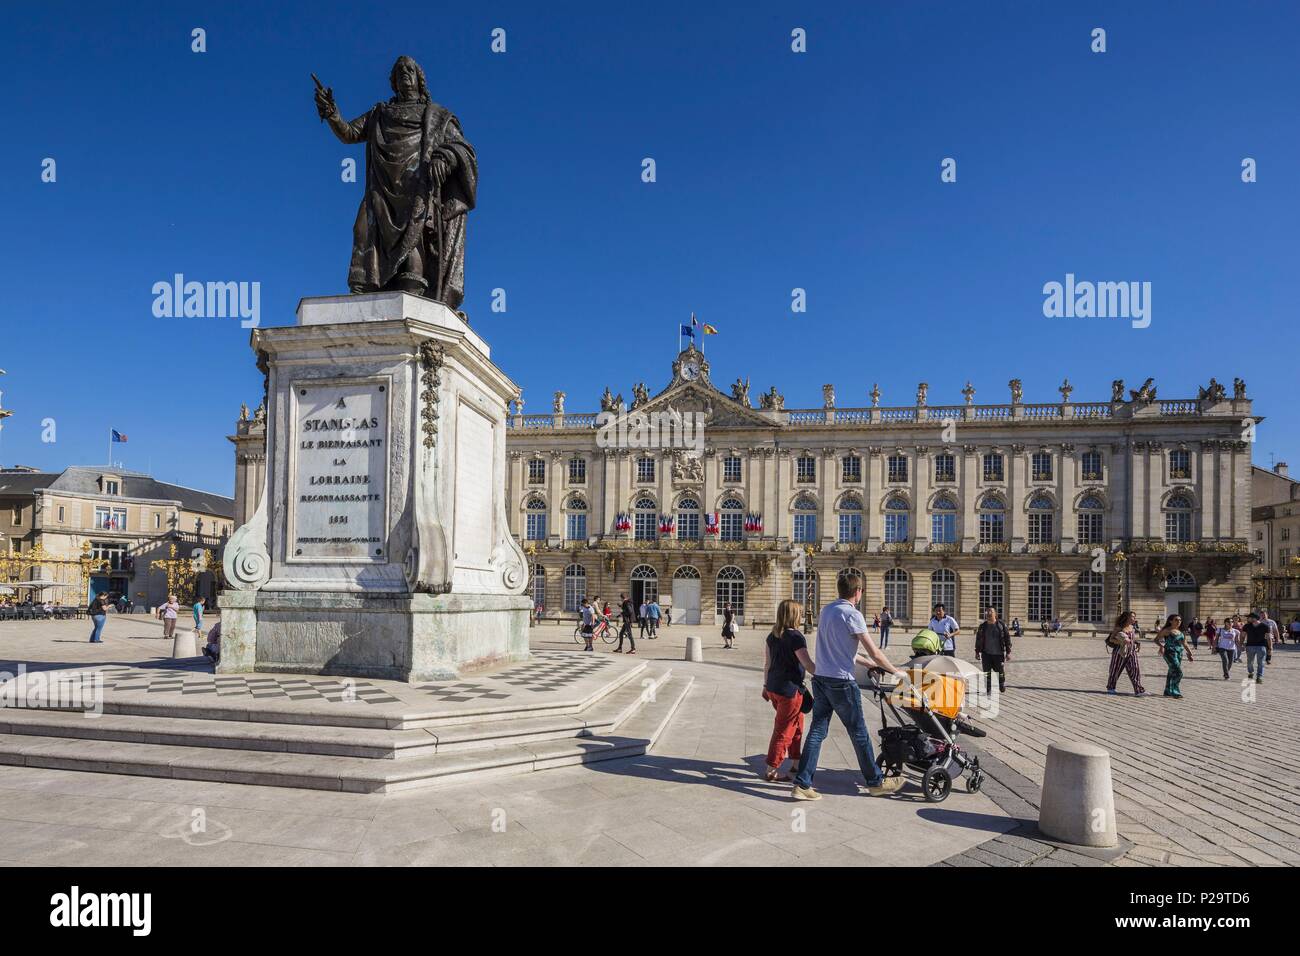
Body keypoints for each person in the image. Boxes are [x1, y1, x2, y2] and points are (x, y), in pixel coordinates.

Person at [791, 571, 905, 801]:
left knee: (817, 731)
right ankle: (875, 782)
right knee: (859, 733)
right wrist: (896, 671)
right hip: (842, 683)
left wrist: (868, 663)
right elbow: (874, 650)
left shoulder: (827, 611)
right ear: (858, 592)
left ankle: (802, 784)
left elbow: (843, 649)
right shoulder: (853, 615)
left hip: (822, 679)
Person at [762, 599, 816, 783]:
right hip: (789, 691)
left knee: (797, 726)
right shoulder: (795, 637)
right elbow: (807, 664)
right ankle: (772, 769)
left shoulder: (772, 636)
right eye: (800, 613)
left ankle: (796, 762)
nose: (802, 616)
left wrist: (764, 686)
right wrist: (826, 674)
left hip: (774, 688)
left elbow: (767, 665)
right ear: (794, 615)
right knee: (783, 731)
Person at [1105, 610, 1146, 696]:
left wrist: (1137, 643)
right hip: (1119, 651)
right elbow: (1111, 639)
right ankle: (1111, 687)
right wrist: (1121, 642)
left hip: (1131, 651)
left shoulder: (1132, 627)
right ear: (1127, 617)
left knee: (1135, 669)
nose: (1134, 618)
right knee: (1115, 669)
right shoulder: (1119, 627)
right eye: (1133, 617)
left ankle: (1138, 690)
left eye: (1135, 617)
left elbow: (1132, 639)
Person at [974, 607, 1011, 694]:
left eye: (991, 611)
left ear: (995, 614)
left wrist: (1008, 652)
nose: (989, 613)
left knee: (1000, 671)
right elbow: (978, 639)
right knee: (986, 672)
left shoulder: (1001, 625)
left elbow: (1007, 638)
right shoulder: (982, 626)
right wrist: (977, 652)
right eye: (987, 612)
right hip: (986, 653)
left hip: (998, 654)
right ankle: (988, 688)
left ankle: (1001, 683)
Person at [1156, 614, 1192, 699]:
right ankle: (1175, 691)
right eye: (1176, 620)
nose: (1178, 621)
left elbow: (1185, 644)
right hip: (1169, 653)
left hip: (1179, 653)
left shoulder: (1181, 632)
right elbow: (1156, 639)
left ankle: (1167, 690)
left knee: (1171, 671)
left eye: (1180, 620)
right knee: (1178, 672)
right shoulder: (1166, 630)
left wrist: (1190, 653)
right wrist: (1161, 646)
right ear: (1170, 621)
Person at [1242, 611, 1273, 684]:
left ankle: (1259, 677)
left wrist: (1270, 647)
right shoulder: (1246, 626)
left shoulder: (1265, 626)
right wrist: (1241, 644)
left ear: (1254, 618)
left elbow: (1269, 638)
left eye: (1249, 618)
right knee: (1250, 662)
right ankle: (1251, 672)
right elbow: (1243, 635)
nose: (1247, 619)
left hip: (1261, 647)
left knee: (1261, 663)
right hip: (1250, 646)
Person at [1212, 615, 1238, 680]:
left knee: (1230, 662)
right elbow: (1216, 639)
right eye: (1229, 622)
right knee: (1225, 660)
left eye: (1232, 622)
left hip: (1232, 648)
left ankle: (1226, 672)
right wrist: (1214, 647)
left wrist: (1241, 646)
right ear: (1225, 623)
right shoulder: (1220, 630)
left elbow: (1237, 641)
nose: (1230, 623)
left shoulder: (1235, 631)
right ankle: (1226, 674)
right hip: (1222, 647)